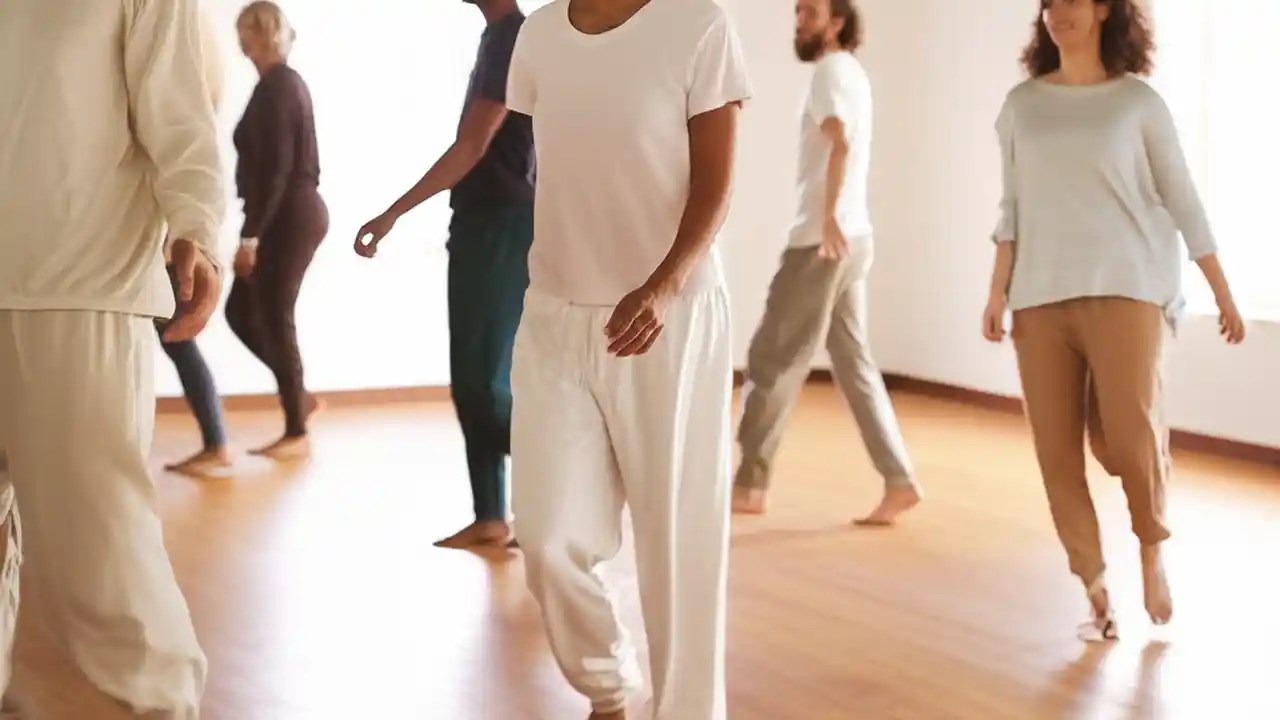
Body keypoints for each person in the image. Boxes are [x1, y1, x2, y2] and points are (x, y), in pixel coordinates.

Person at [505, 0, 751, 717]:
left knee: (677, 544)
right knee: (548, 536)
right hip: (554, 313)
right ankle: (609, 687)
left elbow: (716, 183)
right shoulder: (539, 34)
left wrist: (665, 285)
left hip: (667, 318)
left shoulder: (698, 25)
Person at [983, 0, 1246, 642]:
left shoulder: (1137, 104)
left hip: (1128, 288)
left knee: (1126, 439)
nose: (1057, 12)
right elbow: (1012, 206)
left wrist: (1221, 290)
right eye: (1048, 2)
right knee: (1056, 453)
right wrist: (996, 291)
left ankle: (1151, 546)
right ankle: (1095, 589)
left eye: (1072, 0)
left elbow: (1182, 196)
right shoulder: (1022, 106)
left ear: (1104, 9)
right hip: (1038, 297)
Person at [0, 0, 223, 715]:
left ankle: (158, 706)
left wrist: (198, 230)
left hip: (79, 286)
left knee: (99, 562)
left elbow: (183, 119)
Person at [731, 0, 921, 525]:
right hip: (853, 239)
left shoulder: (831, 73)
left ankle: (749, 484)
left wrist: (830, 216)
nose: (799, 21)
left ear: (837, 23)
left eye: (810, 12)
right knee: (853, 362)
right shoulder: (852, 73)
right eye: (798, 11)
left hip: (822, 241)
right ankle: (899, 478)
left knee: (771, 359)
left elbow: (840, 141)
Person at [354, 0, 535, 550]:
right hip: (481, 219)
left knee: (483, 384)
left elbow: (473, 144)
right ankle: (491, 515)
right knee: (473, 381)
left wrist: (393, 212)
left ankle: (569, 477)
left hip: (502, 223)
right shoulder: (496, 37)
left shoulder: (513, 38)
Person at [227, 1, 330, 460]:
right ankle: (298, 396)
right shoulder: (273, 85)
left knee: (275, 317)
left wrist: (251, 238)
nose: (239, 39)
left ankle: (296, 430)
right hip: (283, 213)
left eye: (244, 30)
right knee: (240, 311)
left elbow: (277, 171)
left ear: (260, 33)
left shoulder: (280, 87)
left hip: (290, 216)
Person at [161, 6, 234, 477]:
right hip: (168, 230)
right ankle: (217, 442)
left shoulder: (180, 23)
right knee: (177, 342)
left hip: (166, 234)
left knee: (178, 340)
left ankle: (217, 443)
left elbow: (187, 145)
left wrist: (192, 233)